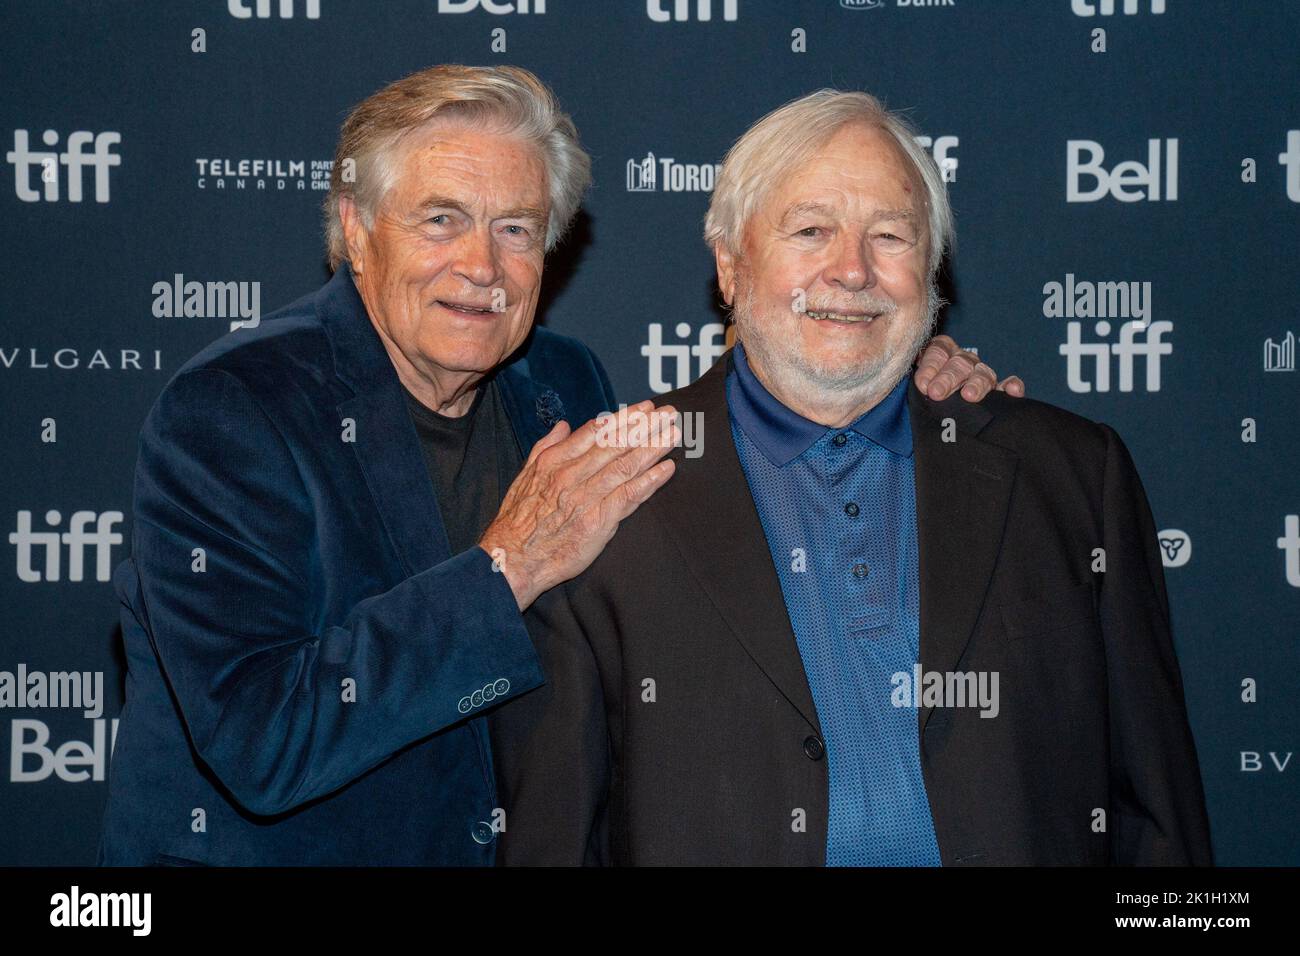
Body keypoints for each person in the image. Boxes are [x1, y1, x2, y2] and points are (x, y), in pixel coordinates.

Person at [97, 67, 1010, 866]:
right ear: (358, 229)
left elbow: (755, 402)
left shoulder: (563, 385)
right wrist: (509, 567)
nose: (481, 265)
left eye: (517, 229)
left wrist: (887, 373)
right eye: (441, 220)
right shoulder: (234, 411)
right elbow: (262, 740)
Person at [491, 88, 1213, 866]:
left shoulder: (1072, 476)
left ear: (931, 272)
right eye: (811, 231)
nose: (852, 270)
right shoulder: (602, 494)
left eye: (891, 236)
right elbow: (557, 841)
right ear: (730, 266)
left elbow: (1158, 817)